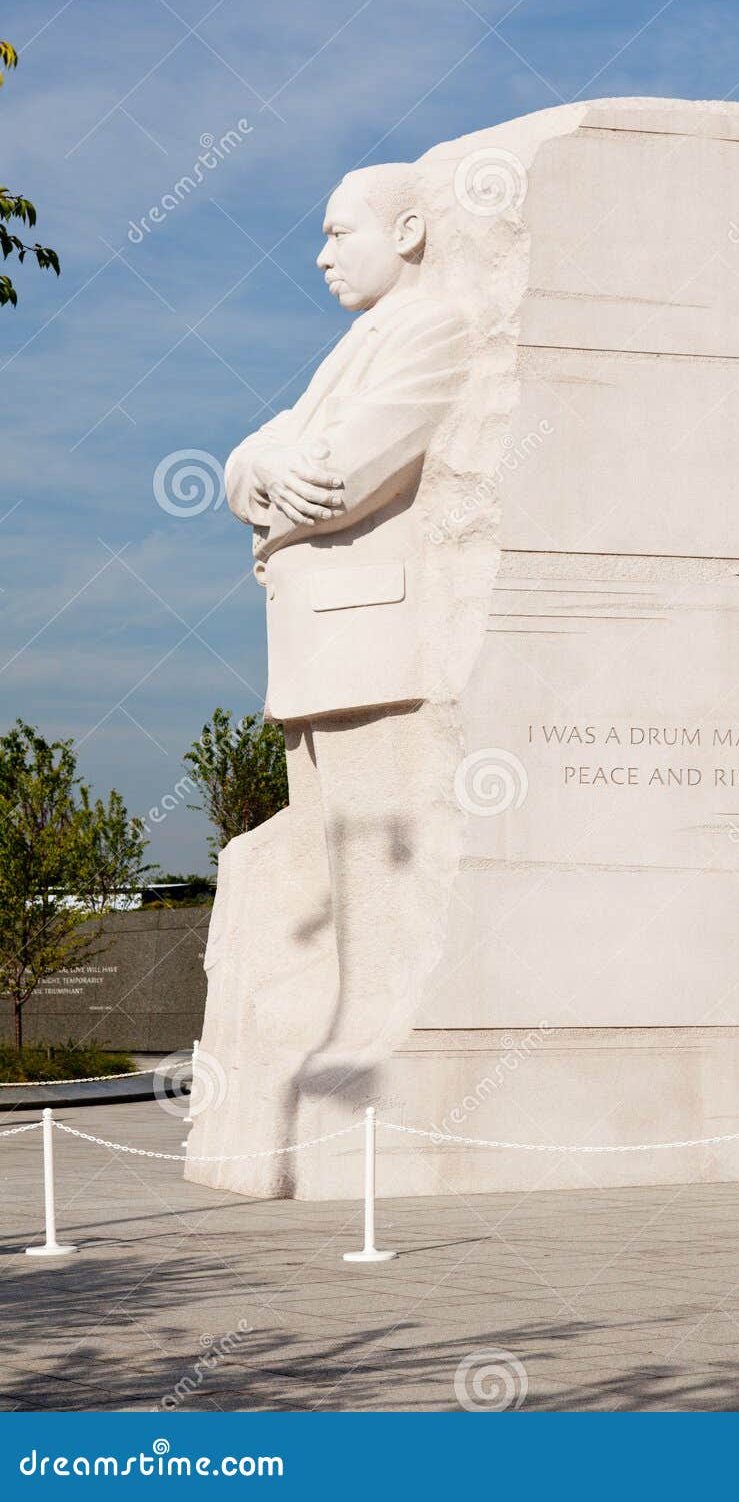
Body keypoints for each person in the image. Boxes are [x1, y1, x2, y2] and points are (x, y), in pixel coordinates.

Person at [222, 162, 470, 1068]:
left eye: (339, 232)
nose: (320, 254)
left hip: (371, 640)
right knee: (330, 853)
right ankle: (343, 1022)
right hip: (319, 643)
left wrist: (273, 469)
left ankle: (374, 1032)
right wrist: (266, 464)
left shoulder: (435, 330)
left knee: (374, 860)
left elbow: (343, 479)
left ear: (407, 232)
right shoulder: (356, 346)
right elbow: (251, 455)